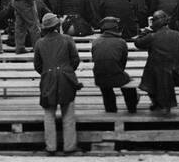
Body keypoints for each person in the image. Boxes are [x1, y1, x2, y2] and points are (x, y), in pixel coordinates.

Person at [34, 12, 82, 153]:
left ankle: (51, 147)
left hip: (48, 79)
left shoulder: (39, 43)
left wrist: (47, 72)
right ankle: (69, 146)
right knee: (68, 114)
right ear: (58, 25)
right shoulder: (67, 39)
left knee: (49, 114)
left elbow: (37, 65)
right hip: (66, 79)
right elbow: (75, 60)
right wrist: (67, 70)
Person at [134, 10, 179, 115]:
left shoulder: (152, 36)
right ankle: (161, 105)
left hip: (155, 74)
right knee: (160, 74)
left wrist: (146, 31)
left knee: (152, 75)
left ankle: (157, 104)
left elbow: (138, 43)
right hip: (176, 74)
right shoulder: (178, 35)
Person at [91, 15, 139, 114]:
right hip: (115, 74)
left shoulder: (95, 42)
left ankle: (111, 110)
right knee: (129, 86)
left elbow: (95, 59)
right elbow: (122, 63)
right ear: (116, 28)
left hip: (99, 76)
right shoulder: (121, 42)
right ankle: (132, 108)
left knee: (106, 87)